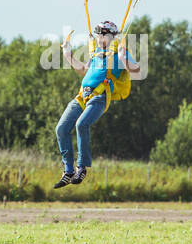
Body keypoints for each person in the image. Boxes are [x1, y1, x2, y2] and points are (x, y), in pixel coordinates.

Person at [54, 20, 140, 188]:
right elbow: (83, 71)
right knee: (61, 128)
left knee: (81, 124)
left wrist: (124, 59)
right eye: (98, 33)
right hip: (82, 95)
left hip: (100, 96)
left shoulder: (120, 53)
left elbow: (137, 71)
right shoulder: (96, 54)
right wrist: (68, 55)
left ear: (112, 36)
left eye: (103, 34)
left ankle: (82, 167)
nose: (99, 37)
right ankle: (68, 170)